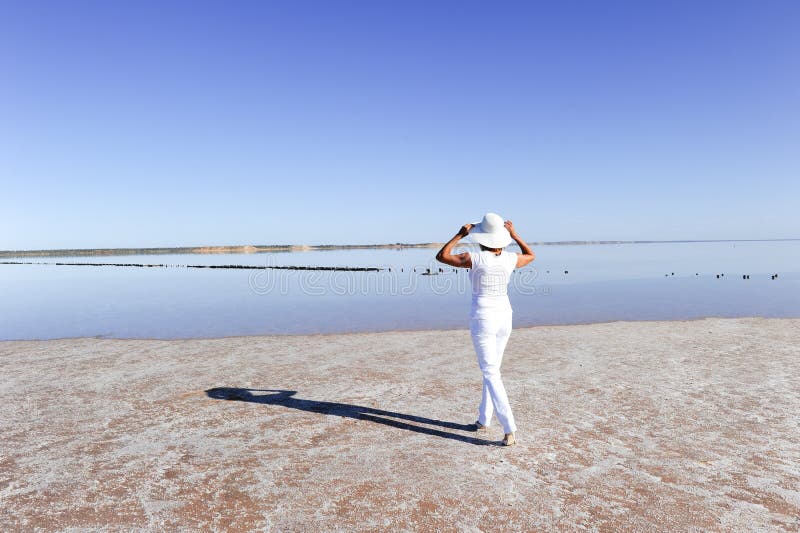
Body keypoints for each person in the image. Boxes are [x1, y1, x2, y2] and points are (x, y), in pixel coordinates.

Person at [435, 213, 535, 446]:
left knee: (491, 372)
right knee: (492, 371)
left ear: (482, 239)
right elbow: (531, 255)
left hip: (484, 319)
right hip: (504, 318)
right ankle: (483, 419)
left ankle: (509, 428)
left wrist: (460, 234)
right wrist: (515, 234)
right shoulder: (510, 259)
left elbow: (441, 256)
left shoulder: (475, 258)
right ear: (501, 239)